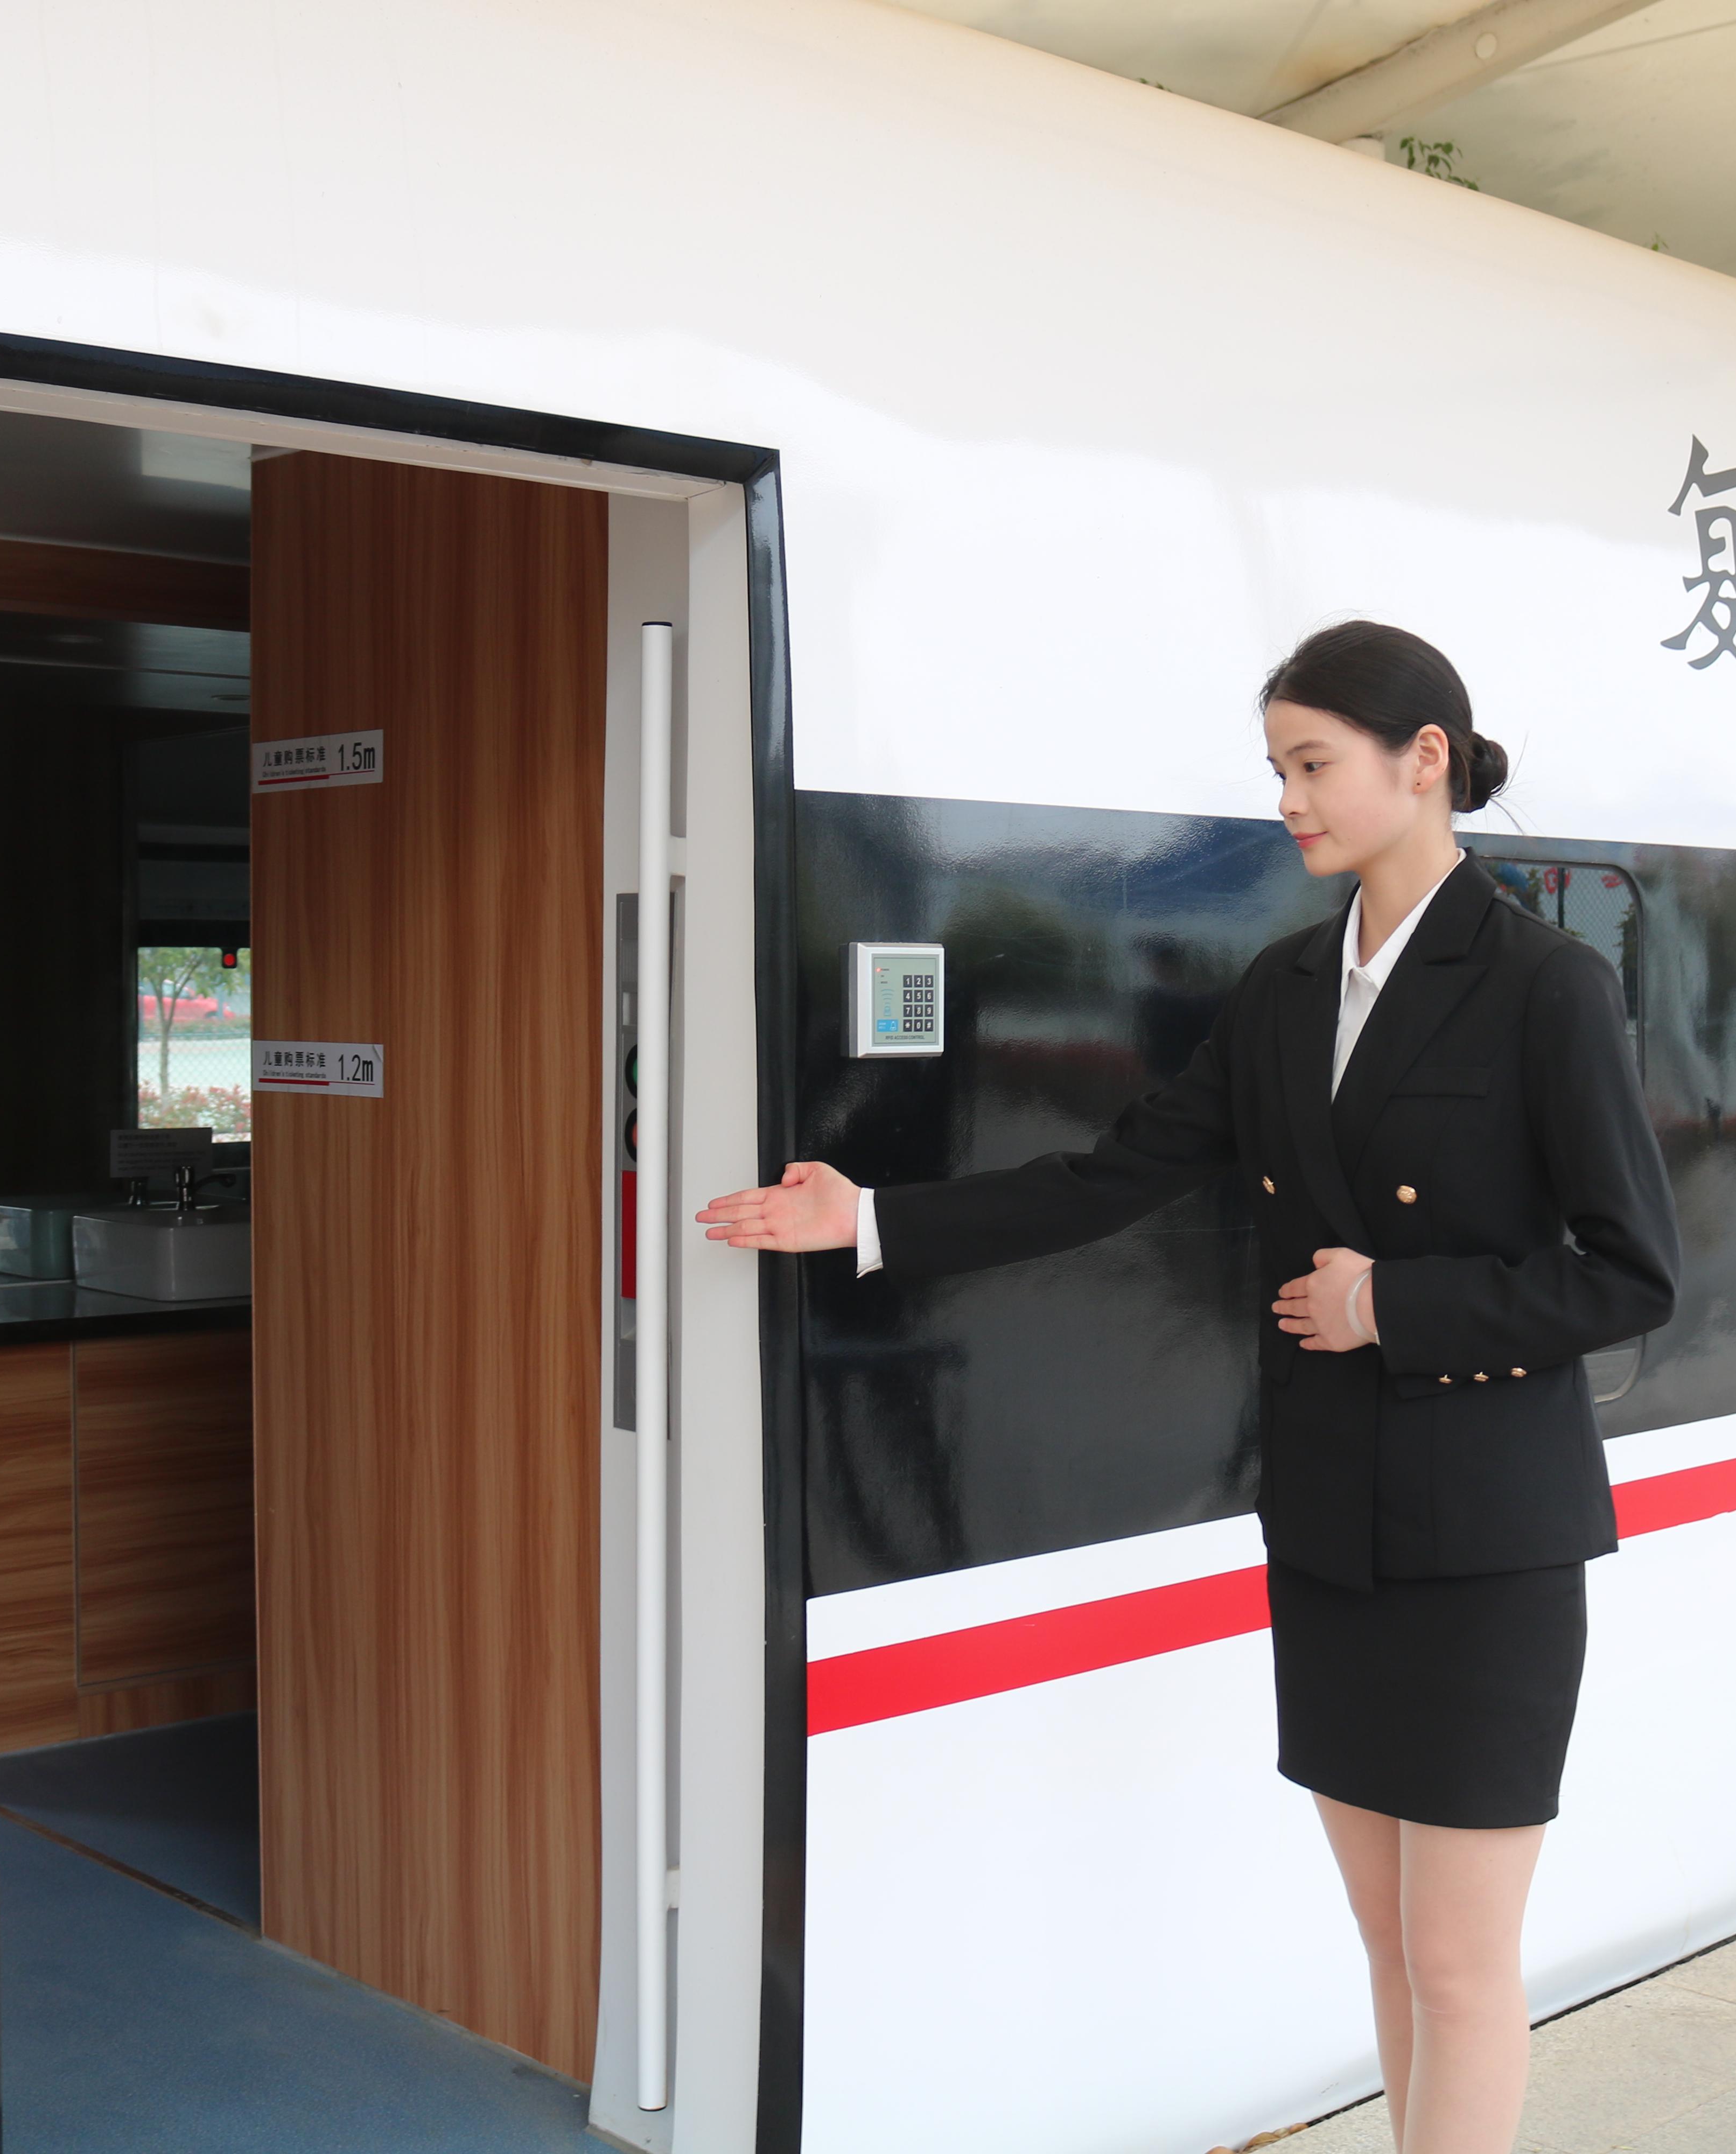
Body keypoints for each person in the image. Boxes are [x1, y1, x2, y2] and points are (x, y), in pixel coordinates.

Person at [696, 619, 1677, 2154]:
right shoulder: (1285, 988)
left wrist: (1386, 1303)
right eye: (1278, 767)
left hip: (1487, 1539)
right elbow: (1114, 1176)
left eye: (1314, 765)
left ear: (1424, 760)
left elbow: (1631, 1274)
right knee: (1386, 1946)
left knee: (1458, 1961)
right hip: (1334, 1522)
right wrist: (872, 1218)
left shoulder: (1545, 983)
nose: (1287, 801)